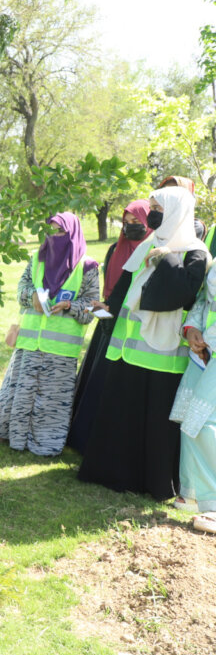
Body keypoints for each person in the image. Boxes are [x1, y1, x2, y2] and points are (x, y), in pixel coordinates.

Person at [78, 186, 209, 500]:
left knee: (153, 424)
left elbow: (182, 295)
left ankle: (148, 483)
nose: (152, 215)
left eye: (158, 208)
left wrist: (165, 259)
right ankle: (110, 474)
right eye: (151, 207)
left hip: (162, 355)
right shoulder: (147, 245)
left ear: (176, 212)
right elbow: (123, 290)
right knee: (120, 414)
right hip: (126, 349)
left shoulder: (195, 253)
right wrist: (100, 309)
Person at [0, 213, 99, 456]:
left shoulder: (88, 266)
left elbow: (92, 307)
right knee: (20, 391)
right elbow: (21, 289)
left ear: (73, 234)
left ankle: (44, 445)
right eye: (52, 231)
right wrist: (32, 296)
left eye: (60, 232)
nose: (54, 237)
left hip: (60, 350)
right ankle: (7, 435)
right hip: (29, 341)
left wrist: (70, 306)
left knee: (51, 401)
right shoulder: (38, 258)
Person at [67, 199, 151, 452]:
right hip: (106, 322)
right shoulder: (115, 248)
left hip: (131, 329)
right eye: (126, 222)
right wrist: (103, 305)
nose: (131, 227)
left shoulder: (153, 251)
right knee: (95, 380)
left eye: (137, 222)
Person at [170, 261, 216, 516]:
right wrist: (192, 330)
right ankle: (193, 494)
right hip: (203, 352)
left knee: (203, 420)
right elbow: (204, 301)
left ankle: (214, 499)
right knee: (188, 414)